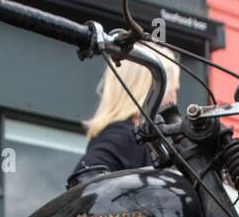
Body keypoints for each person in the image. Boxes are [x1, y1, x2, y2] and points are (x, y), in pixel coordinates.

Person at [72, 43, 181, 180]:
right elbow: (85, 181)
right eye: (173, 88)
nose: (174, 97)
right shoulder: (125, 137)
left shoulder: (139, 140)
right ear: (147, 88)